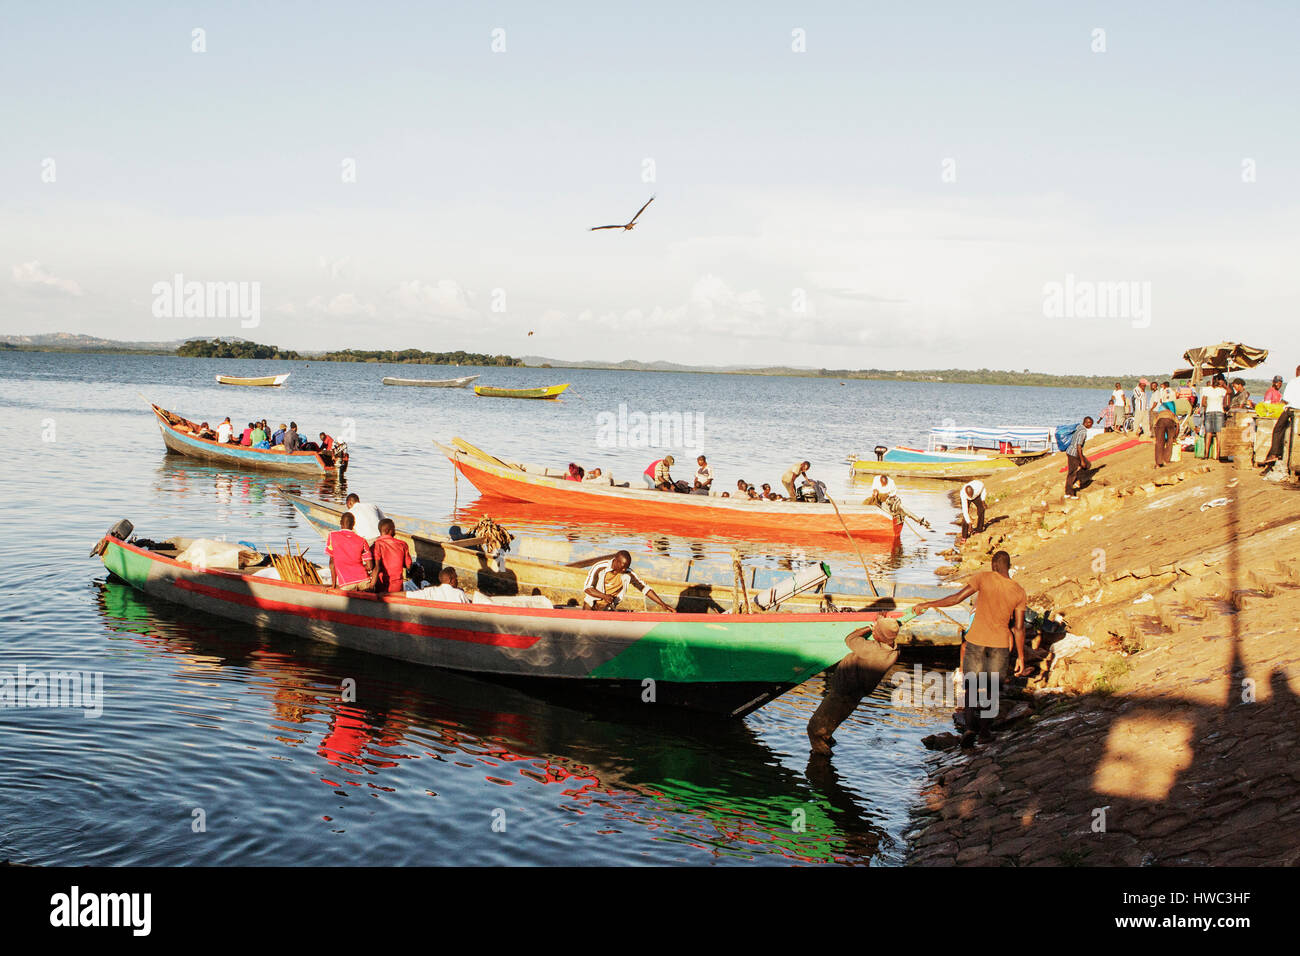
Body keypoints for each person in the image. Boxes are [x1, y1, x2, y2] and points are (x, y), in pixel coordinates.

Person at [913, 550, 1028, 747]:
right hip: (999, 645)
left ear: (993, 565)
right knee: (991, 691)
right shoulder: (1019, 591)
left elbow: (956, 598)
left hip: (975, 642)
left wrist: (929, 603)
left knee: (971, 688)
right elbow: (1019, 628)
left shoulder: (983, 578)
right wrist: (1021, 657)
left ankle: (969, 729)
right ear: (1008, 567)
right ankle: (984, 733)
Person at [582, 550, 673, 611]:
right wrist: (604, 596)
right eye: (623, 567)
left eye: (627, 567)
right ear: (616, 561)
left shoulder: (628, 573)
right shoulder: (600, 567)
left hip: (608, 608)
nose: (624, 570)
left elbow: (645, 588)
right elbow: (588, 588)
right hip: (590, 605)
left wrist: (662, 604)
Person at [1260, 365, 1300, 469]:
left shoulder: (1293, 382)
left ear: (1297, 372)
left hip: (1291, 410)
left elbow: (1286, 399)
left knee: (1278, 429)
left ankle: (1274, 453)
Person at [326, 512, 373, 591]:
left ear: (340, 522)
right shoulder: (362, 540)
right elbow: (370, 566)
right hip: (364, 581)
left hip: (347, 584)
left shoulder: (332, 536)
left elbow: (332, 564)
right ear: (353, 524)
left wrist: (333, 585)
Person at [369, 518, 411, 594]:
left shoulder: (375, 545)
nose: (395, 531)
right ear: (388, 530)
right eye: (394, 529)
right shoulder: (403, 544)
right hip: (397, 586)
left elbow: (373, 566)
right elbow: (408, 565)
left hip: (380, 585)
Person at [1064, 416, 1094, 500]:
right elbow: (1079, 446)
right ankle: (1069, 493)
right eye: (1090, 423)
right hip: (1074, 453)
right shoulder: (1083, 432)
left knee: (1087, 465)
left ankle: (1077, 479)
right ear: (1087, 422)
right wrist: (1081, 460)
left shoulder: (1079, 427)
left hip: (1071, 451)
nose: (1091, 425)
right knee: (1072, 473)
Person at [1199, 375, 1228, 458]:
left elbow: (1203, 402)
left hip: (1209, 411)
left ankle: (1206, 454)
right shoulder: (1222, 390)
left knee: (1208, 433)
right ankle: (1218, 454)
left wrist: (1208, 406)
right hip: (1219, 412)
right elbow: (1229, 391)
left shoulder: (1207, 389)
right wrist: (1224, 385)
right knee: (1218, 434)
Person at [1152, 401, 1179, 467]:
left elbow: (1154, 425)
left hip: (1160, 421)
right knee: (1170, 441)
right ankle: (1166, 460)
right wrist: (1175, 436)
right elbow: (1177, 425)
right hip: (1170, 421)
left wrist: (1156, 436)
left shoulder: (1159, 413)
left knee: (1159, 443)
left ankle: (1158, 462)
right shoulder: (1172, 413)